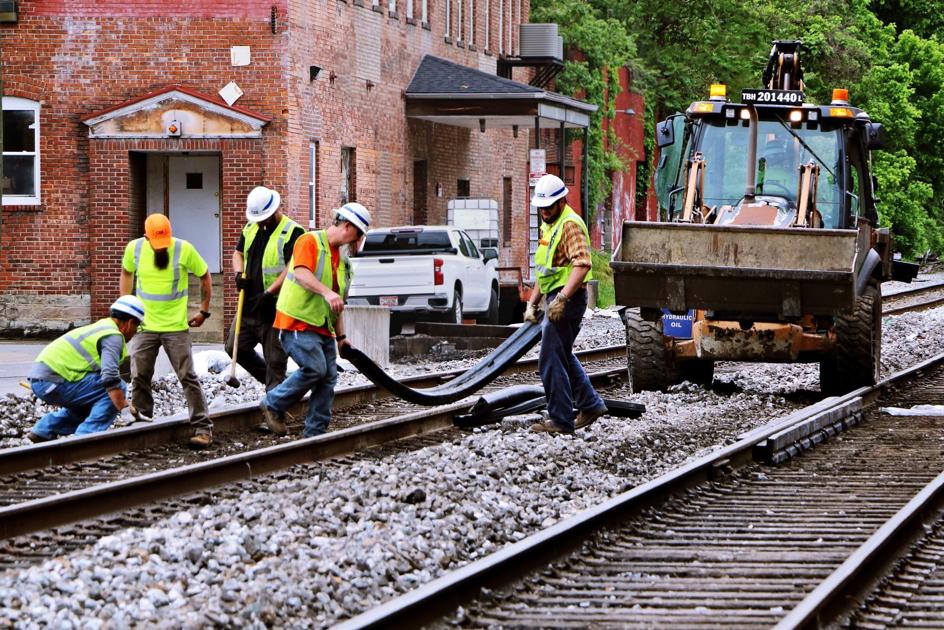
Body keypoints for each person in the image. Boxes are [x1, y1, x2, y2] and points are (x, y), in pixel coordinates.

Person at [259, 202, 371, 438]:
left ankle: (315, 433)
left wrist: (341, 338)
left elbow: (338, 302)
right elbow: (301, 273)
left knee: (328, 378)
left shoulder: (342, 261)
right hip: (296, 322)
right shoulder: (309, 241)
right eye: (358, 235)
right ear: (348, 226)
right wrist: (326, 292)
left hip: (322, 327)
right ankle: (273, 403)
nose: (356, 242)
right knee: (315, 369)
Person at [119, 214, 215, 449]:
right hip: (144, 325)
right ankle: (142, 423)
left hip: (175, 328)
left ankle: (203, 428)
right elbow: (126, 273)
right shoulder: (135, 249)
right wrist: (125, 308)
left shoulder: (184, 249)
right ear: (146, 237)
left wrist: (204, 311)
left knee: (188, 377)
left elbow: (204, 275)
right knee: (139, 375)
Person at [525, 174, 608, 434]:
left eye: (549, 207)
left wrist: (561, 299)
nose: (545, 212)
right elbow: (544, 271)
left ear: (561, 202)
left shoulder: (570, 224)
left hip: (568, 300)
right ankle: (591, 404)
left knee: (548, 359)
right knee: (560, 354)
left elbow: (582, 264)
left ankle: (561, 420)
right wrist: (532, 303)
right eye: (542, 208)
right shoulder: (548, 226)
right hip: (554, 299)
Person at [26, 296, 146, 442]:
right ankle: (86, 438)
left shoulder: (101, 327)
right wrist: (125, 410)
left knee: (90, 402)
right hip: (53, 381)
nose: (135, 332)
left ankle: (44, 431)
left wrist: (127, 406)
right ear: (130, 322)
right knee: (117, 387)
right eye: (137, 327)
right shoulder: (113, 336)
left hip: (42, 380)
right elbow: (110, 379)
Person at [227, 186, 304, 391]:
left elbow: (293, 266)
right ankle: (282, 389)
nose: (261, 222)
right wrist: (238, 274)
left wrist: (270, 292)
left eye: (264, 218)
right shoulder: (251, 227)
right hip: (250, 304)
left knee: (276, 362)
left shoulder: (293, 232)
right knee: (234, 347)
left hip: (275, 309)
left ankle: (275, 407)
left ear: (276, 209)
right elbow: (238, 253)